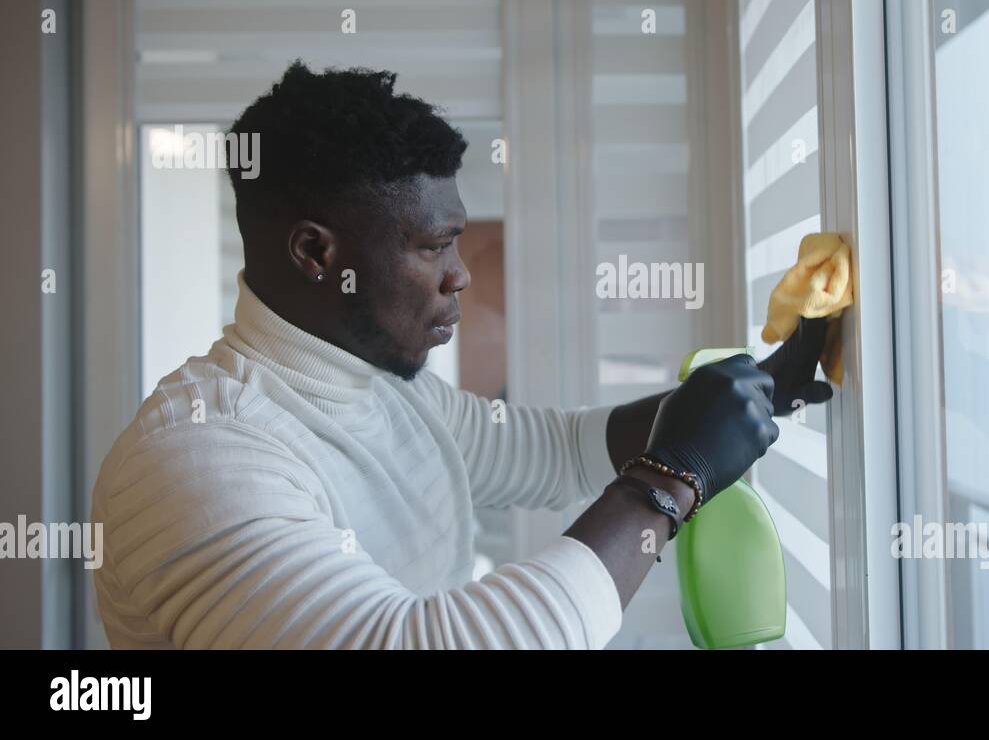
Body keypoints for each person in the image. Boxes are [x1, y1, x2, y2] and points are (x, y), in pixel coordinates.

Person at [91, 61, 833, 649]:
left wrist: (751, 391)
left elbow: (554, 451)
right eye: (432, 245)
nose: (461, 273)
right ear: (317, 250)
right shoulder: (195, 457)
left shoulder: (386, 388)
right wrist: (670, 480)